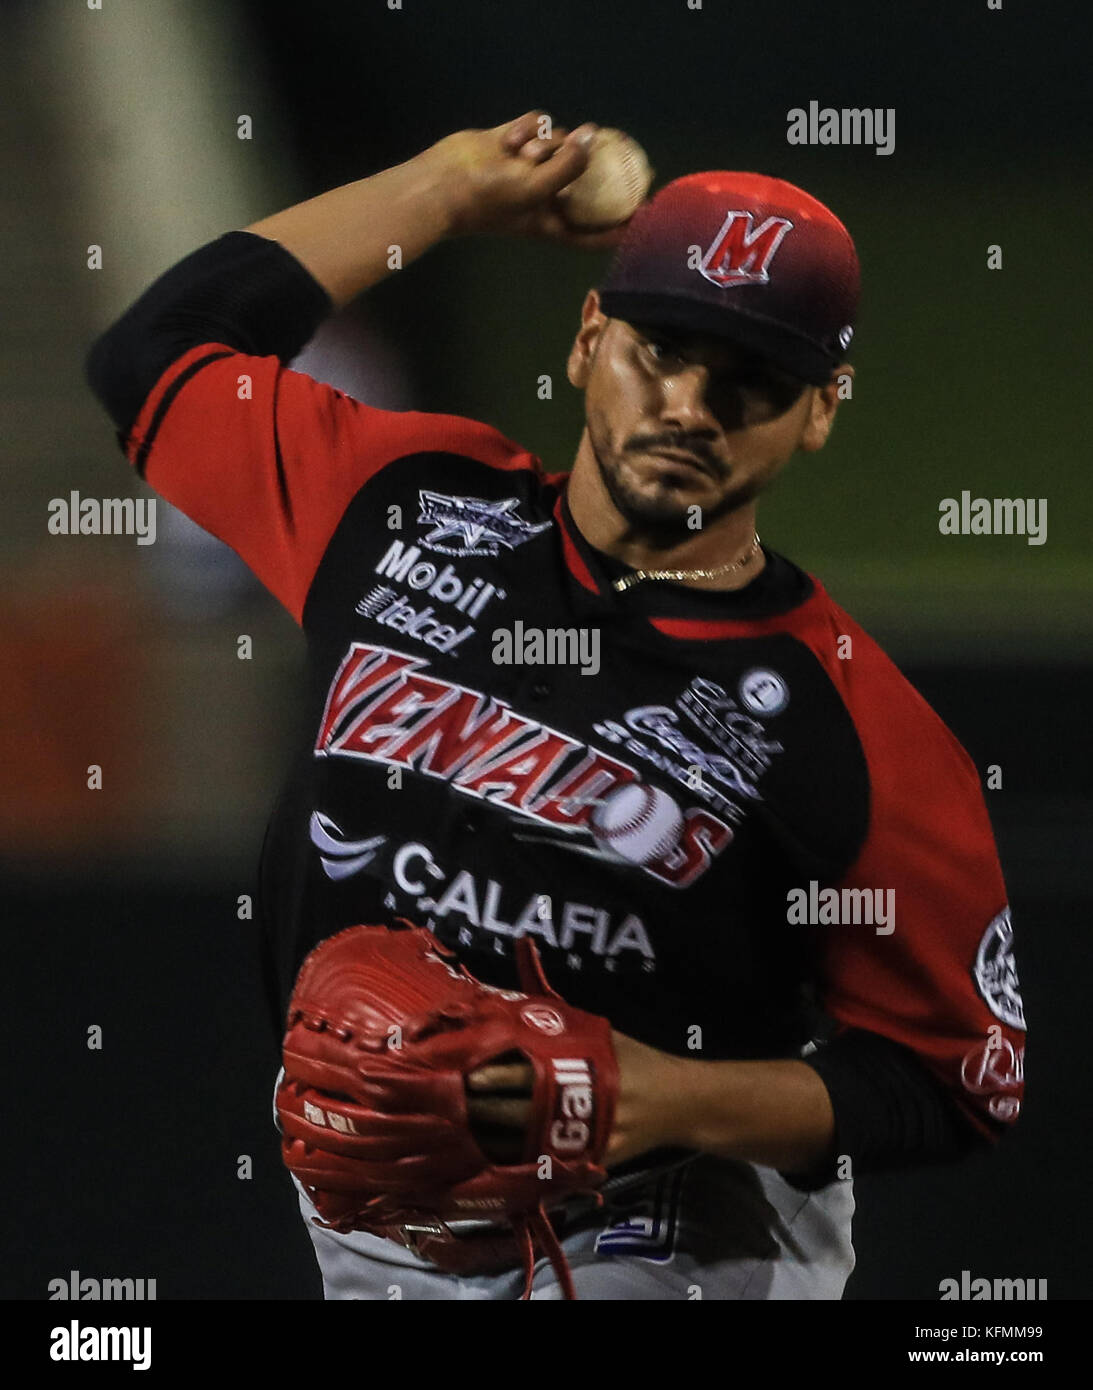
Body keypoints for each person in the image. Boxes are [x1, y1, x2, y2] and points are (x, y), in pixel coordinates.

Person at [85, 111, 1026, 1300]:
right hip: (374, 1226)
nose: (688, 403)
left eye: (750, 380)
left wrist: (651, 1093)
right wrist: (439, 191)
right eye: (660, 349)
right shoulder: (399, 503)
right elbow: (155, 354)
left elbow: (955, 1081)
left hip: (671, 1237)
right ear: (587, 340)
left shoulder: (849, 723)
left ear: (821, 408)